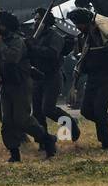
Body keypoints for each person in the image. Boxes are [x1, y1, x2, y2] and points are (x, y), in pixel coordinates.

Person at [0, 11, 57, 161]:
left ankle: (46, 139)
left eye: (0, 24)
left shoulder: (17, 41)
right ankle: (14, 153)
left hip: (20, 84)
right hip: (5, 85)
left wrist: (0, 44)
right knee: (7, 122)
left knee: (22, 119)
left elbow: (13, 58)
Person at [68, 8, 108, 149]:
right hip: (92, 77)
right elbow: (78, 57)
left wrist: (96, 34)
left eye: (80, 23)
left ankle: (105, 143)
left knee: (99, 110)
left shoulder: (101, 34)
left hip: (107, 76)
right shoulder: (80, 38)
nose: (78, 26)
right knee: (86, 111)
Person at [29, 8, 80, 142]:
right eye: (35, 19)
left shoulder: (55, 36)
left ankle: (71, 124)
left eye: (38, 19)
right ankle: (44, 140)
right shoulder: (35, 36)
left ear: (45, 21)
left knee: (48, 109)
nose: (35, 22)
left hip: (52, 77)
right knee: (37, 113)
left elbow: (52, 53)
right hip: (37, 77)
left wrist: (33, 48)